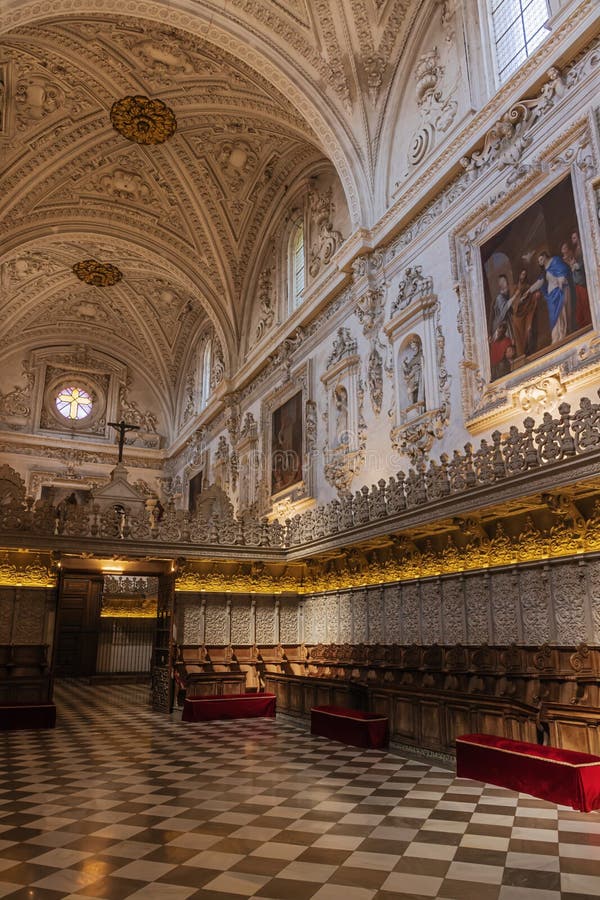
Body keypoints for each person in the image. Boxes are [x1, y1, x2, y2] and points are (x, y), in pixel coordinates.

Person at [527, 251, 573, 345]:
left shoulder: (555, 261)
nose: (540, 262)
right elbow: (539, 282)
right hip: (551, 295)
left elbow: (563, 270)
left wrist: (561, 280)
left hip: (558, 292)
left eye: (540, 259)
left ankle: (562, 334)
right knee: (553, 317)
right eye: (539, 261)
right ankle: (556, 338)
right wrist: (529, 291)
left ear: (544, 256)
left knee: (560, 314)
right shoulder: (545, 270)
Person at [490, 274, 514, 342]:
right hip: (501, 326)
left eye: (504, 281)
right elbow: (503, 313)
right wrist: (513, 299)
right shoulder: (499, 297)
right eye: (501, 282)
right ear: (499, 285)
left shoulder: (508, 293)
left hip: (508, 323)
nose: (503, 283)